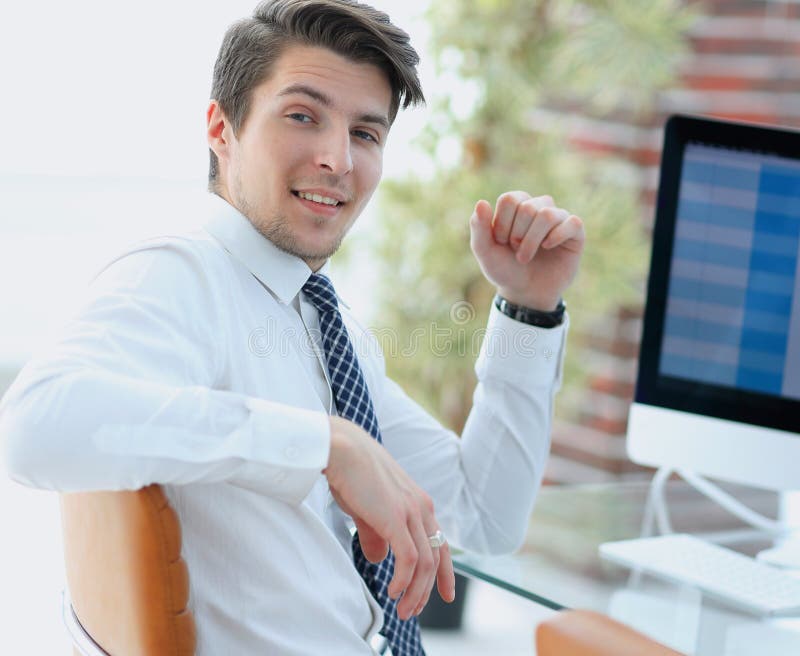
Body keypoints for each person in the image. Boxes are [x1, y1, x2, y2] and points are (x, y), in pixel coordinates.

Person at [0, 1, 585, 654]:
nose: (337, 159)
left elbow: (484, 515)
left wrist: (528, 309)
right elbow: (32, 427)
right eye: (303, 116)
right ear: (221, 129)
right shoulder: (182, 273)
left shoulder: (323, 328)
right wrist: (324, 447)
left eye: (366, 133)